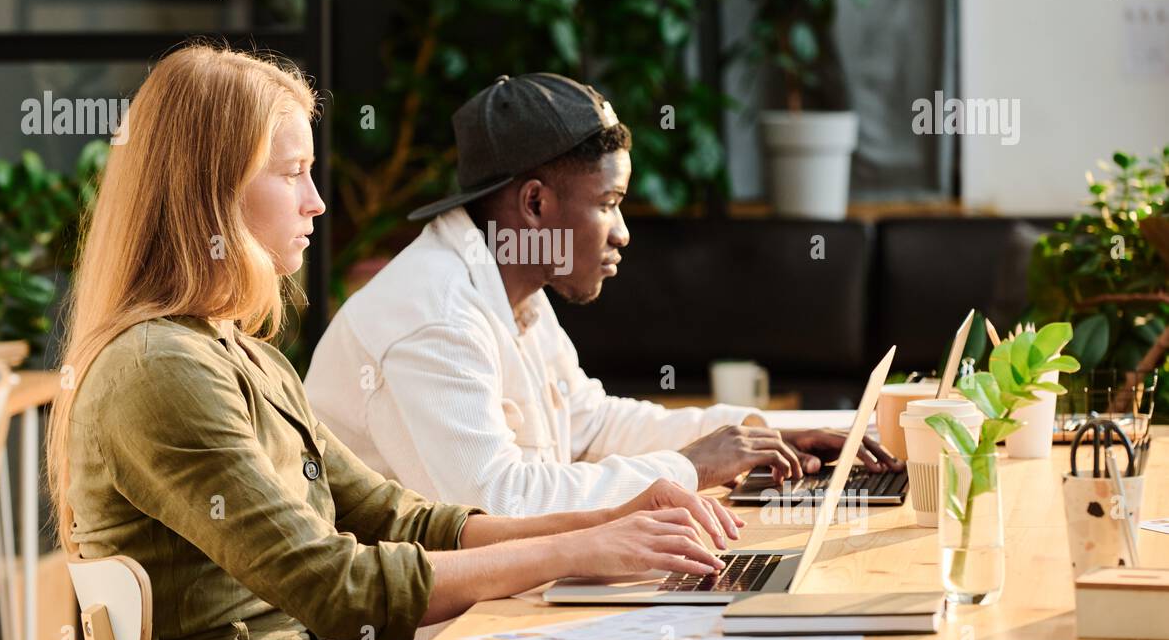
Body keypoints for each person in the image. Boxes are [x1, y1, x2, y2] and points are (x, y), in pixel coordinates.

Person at [45, 46, 741, 640]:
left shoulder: (241, 355)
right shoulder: (158, 370)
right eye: (292, 174)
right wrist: (580, 550)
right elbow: (333, 585)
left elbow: (401, 519)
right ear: (210, 191)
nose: (317, 201)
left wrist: (604, 523)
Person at [306, 72, 901, 521]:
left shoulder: (515, 290)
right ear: (535, 205)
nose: (623, 233)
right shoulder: (433, 317)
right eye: (609, 204)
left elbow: (590, 425)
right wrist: (691, 467)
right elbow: (496, 503)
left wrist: (756, 434)